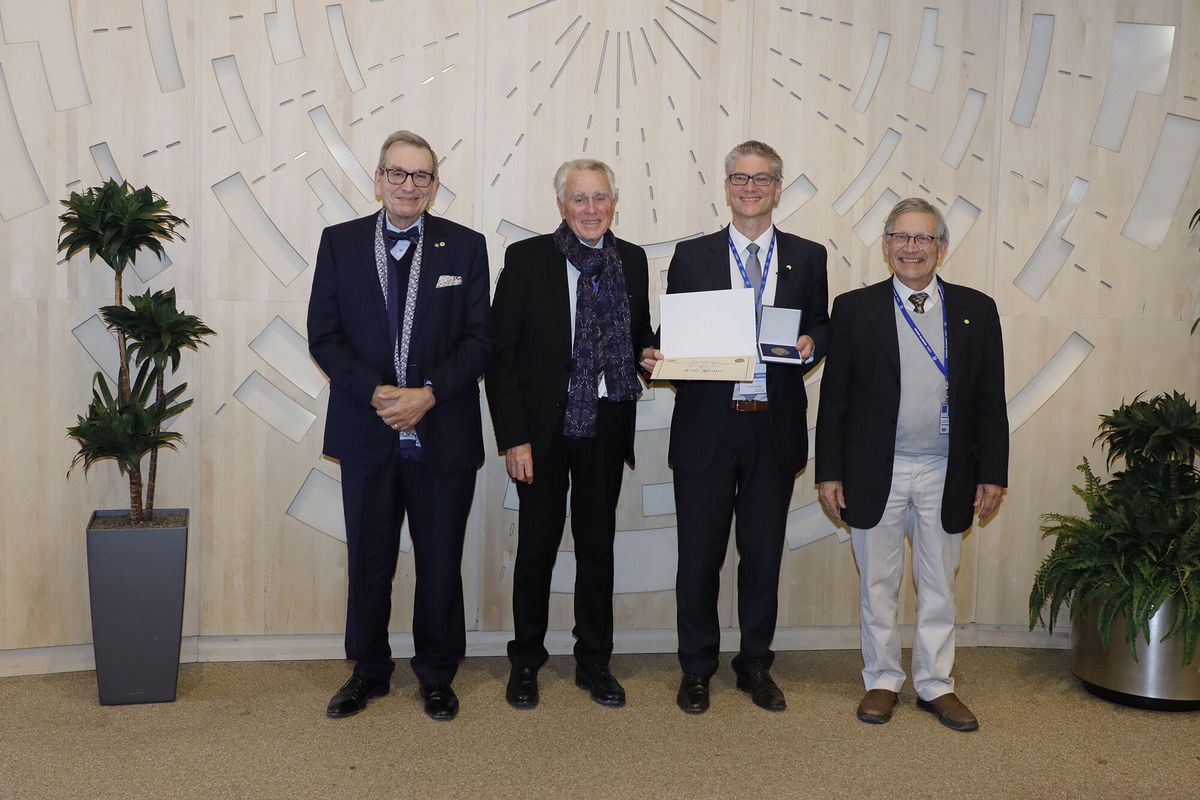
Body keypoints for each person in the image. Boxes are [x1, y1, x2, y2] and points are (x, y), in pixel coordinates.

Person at [307, 130, 490, 721]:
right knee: (370, 558)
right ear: (379, 178)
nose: (409, 186)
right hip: (367, 430)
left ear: (435, 185)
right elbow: (324, 335)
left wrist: (428, 395)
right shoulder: (339, 243)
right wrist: (376, 392)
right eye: (398, 174)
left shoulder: (465, 247)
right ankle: (368, 670)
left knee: (440, 561)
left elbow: (479, 340)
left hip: (443, 430)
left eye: (421, 176)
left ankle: (437, 675)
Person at [815, 197, 1008, 732]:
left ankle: (935, 684)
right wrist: (829, 472)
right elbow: (835, 399)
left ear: (942, 247)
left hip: (948, 469)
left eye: (923, 238)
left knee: (939, 581)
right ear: (886, 245)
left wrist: (993, 472)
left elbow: (992, 400)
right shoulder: (855, 308)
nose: (912, 248)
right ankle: (881, 678)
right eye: (901, 237)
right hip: (876, 467)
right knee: (877, 581)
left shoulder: (977, 308)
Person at [665, 140, 829, 714]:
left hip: (773, 428)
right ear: (727, 186)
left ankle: (755, 663)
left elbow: (821, 326)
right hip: (707, 428)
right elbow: (674, 336)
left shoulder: (808, 257)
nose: (750, 188)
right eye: (740, 178)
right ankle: (697, 667)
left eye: (762, 179)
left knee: (762, 554)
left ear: (778, 188)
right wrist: (664, 357)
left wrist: (812, 343)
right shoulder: (693, 255)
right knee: (699, 555)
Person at [486, 159, 657, 710]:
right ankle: (526, 662)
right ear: (561, 205)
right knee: (535, 549)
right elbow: (501, 357)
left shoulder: (631, 259)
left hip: (605, 426)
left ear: (614, 202)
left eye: (600, 198)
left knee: (597, 548)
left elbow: (638, 337)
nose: (591, 209)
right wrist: (514, 437)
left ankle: (594, 663)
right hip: (542, 433)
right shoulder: (527, 259)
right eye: (579, 199)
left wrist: (652, 354)